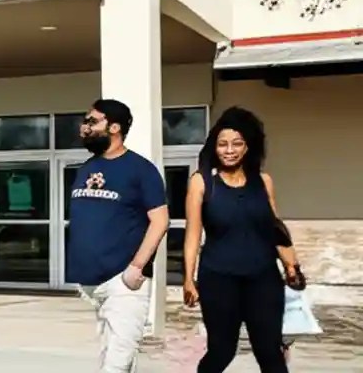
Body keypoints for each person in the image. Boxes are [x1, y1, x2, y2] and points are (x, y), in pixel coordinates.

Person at [183, 106, 304, 373]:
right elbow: (193, 233)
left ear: (248, 147)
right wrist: (189, 278)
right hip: (218, 278)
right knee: (222, 350)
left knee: (270, 352)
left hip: (263, 278)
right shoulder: (202, 183)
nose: (229, 150)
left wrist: (292, 266)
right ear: (214, 146)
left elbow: (276, 229)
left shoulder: (263, 182)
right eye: (222, 144)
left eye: (236, 144)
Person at [66, 98, 170, 373]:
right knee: (111, 358)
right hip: (92, 284)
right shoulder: (86, 168)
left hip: (123, 283)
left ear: (114, 127)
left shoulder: (140, 169)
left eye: (92, 121)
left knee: (117, 363)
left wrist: (137, 267)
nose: (84, 127)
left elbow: (160, 220)